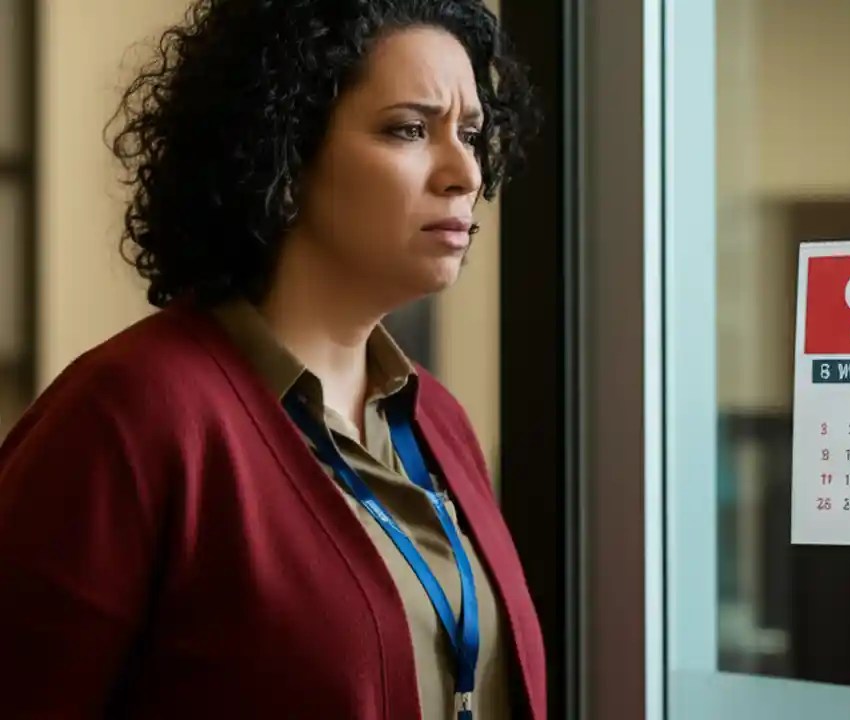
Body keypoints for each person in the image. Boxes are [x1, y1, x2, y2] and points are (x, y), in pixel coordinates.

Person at [0, 1, 544, 718]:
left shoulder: (437, 420)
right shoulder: (130, 413)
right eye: (409, 129)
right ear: (285, 154)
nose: (463, 173)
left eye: (470, 134)